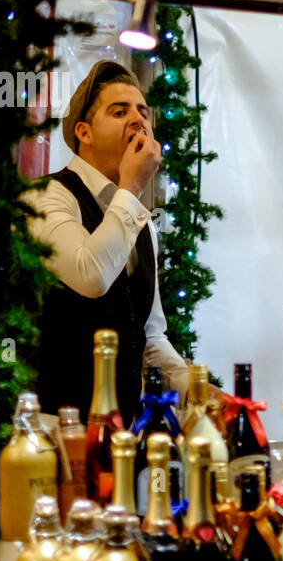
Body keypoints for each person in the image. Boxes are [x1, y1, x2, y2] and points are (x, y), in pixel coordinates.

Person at [25, 60, 189, 425]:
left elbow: (149, 336)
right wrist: (131, 187)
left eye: (142, 112)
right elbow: (91, 276)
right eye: (119, 112)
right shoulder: (47, 196)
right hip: (55, 431)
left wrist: (194, 387)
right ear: (83, 132)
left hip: (122, 433)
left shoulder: (140, 225)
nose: (137, 119)